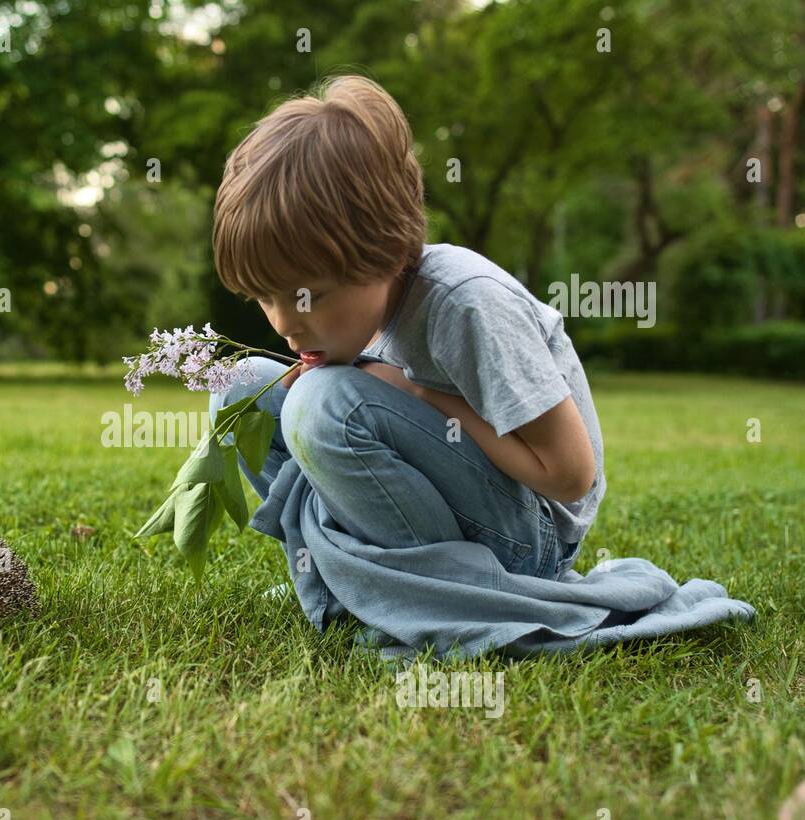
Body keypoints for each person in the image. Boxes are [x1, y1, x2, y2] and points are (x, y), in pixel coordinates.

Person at [209, 74, 605, 584]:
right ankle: (342, 578)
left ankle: (424, 590)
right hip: (454, 502)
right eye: (266, 297)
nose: (285, 323)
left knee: (322, 406)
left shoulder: (466, 305)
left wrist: (418, 392)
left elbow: (571, 476)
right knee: (238, 391)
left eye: (313, 296)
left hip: (530, 538)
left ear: (388, 253)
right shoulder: (370, 310)